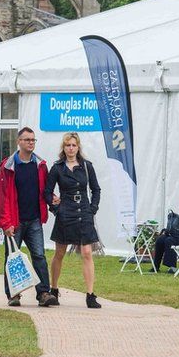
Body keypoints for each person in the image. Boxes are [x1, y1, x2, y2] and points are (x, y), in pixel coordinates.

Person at [0, 127, 57, 307]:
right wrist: (5, 223)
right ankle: (13, 295)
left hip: (34, 220)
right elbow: (2, 197)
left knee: (39, 256)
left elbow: (45, 191)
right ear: (18, 142)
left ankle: (43, 293)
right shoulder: (7, 167)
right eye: (27, 139)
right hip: (15, 222)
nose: (31, 143)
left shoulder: (40, 166)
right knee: (12, 258)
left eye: (33, 140)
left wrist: (53, 200)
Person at [44, 132, 102, 309]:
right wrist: (56, 209)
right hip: (65, 213)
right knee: (59, 252)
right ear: (64, 147)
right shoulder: (57, 168)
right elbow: (46, 192)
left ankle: (90, 295)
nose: (70, 148)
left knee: (86, 252)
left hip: (84, 212)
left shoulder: (86, 166)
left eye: (73, 145)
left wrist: (92, 209)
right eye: (68, 145)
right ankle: (54, 288)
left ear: (78, 147)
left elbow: (96, 189)